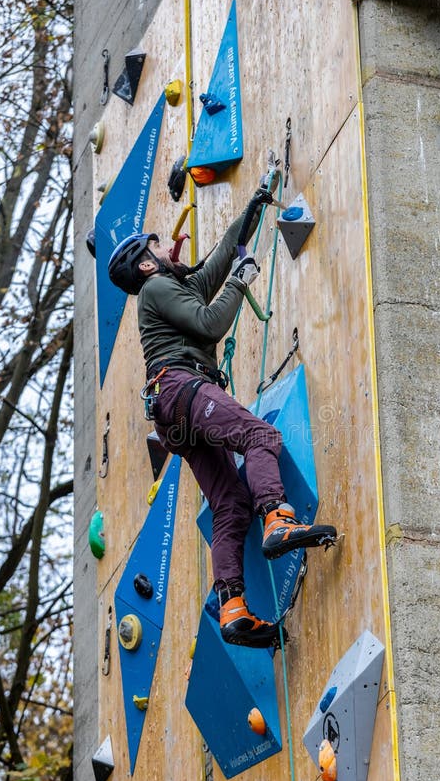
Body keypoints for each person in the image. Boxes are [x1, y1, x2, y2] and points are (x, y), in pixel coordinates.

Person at [108, 181, 336, 648]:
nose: (170, 249)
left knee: (229, 504)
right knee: (260, 437)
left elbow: (221, 255)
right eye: (158, 247)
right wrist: (240, 282)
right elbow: (213, 322)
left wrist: (253, 207)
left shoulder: (174, 285)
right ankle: (277, 517)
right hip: (182, 388)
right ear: (148, 264)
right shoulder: (155, 287)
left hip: (175, 412)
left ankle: (232, 607)